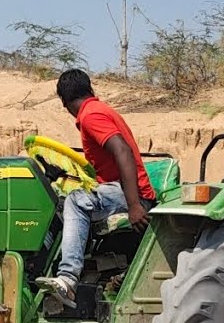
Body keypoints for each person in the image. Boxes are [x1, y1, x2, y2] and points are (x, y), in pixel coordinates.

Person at [36, 69, 156, 307]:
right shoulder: (100, 110)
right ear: (90, 89)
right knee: (62, 203)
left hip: (131, 194)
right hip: (119, 189)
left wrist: (134, 205)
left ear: (64, 102)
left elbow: (122, 151)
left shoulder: (91, 115)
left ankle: (68, 278)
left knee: (77, 201)